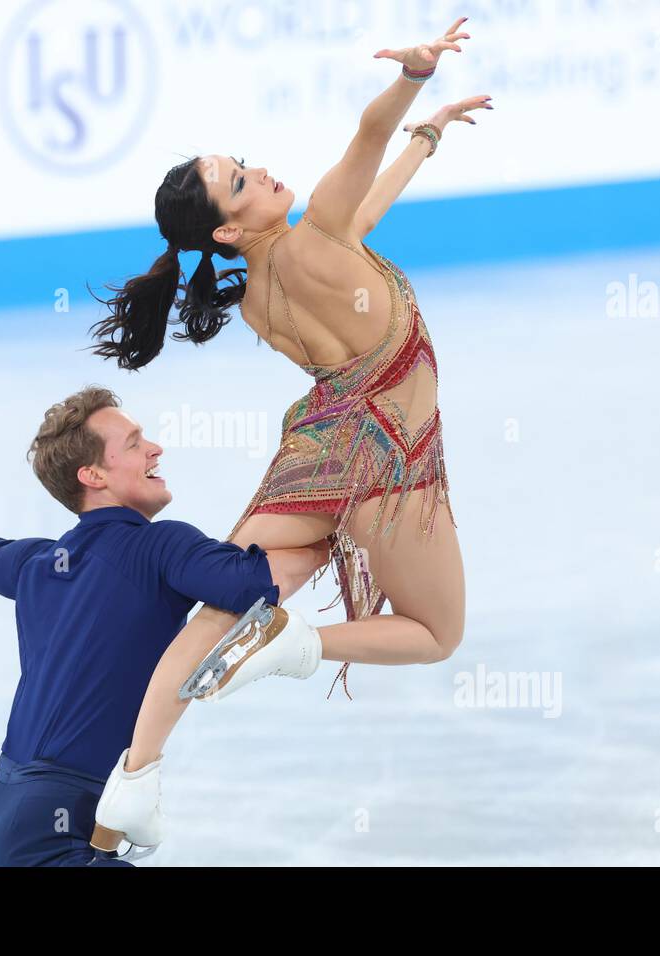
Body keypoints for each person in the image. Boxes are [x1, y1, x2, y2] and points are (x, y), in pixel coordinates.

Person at [89, 18, 490, 849]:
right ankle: (298, 641)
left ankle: (134, 779)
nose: (261, 172)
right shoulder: (318, 232)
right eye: (242, 182)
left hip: (314, 452)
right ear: (229, 230)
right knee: (436, 634)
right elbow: (363, 137)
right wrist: (414, 80)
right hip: (387, 460)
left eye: (244, 164)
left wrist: (428, 137)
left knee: (215, 608)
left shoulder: (257, 294)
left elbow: (362, 213)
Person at [0, 385, 328, 865]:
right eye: (136, 441)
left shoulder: (39, 563)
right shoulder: (158, 545)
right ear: (93, 476)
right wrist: (342, 529)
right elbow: (257, 585)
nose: (155, 449)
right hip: (53, 823)